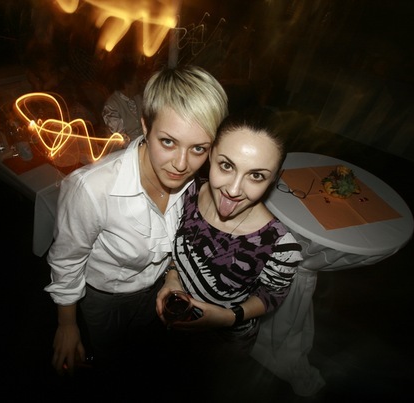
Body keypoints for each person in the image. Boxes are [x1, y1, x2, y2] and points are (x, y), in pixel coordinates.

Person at [44, 64, 228, 379]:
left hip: (155, 290)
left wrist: (172, 276)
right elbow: (67, 261)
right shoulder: (92, 189)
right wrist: (67, 325)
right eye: (168, 142)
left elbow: (178, 241)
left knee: (142, 352)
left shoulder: (195, 186)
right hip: (106, 299)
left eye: (199, 148)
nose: (181, 164)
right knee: (110, 359)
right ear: (145, 125)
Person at [155, 107, 303, 365]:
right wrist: (172, 277)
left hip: (223, 344)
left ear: (273, 179)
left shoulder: (280, 245)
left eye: (256, 176)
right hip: (176, 325)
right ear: (211, 155)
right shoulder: (187, 194)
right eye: (226, 165)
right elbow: (176, 250)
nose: (233, 190)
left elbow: (273, 294)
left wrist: (228, 317)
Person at [101, 60, 146, 142]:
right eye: (137, 80)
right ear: (127, 83)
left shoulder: (138, 98)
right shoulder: (111, 106)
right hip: (126, 148)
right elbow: (121, 139)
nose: (140, 82)